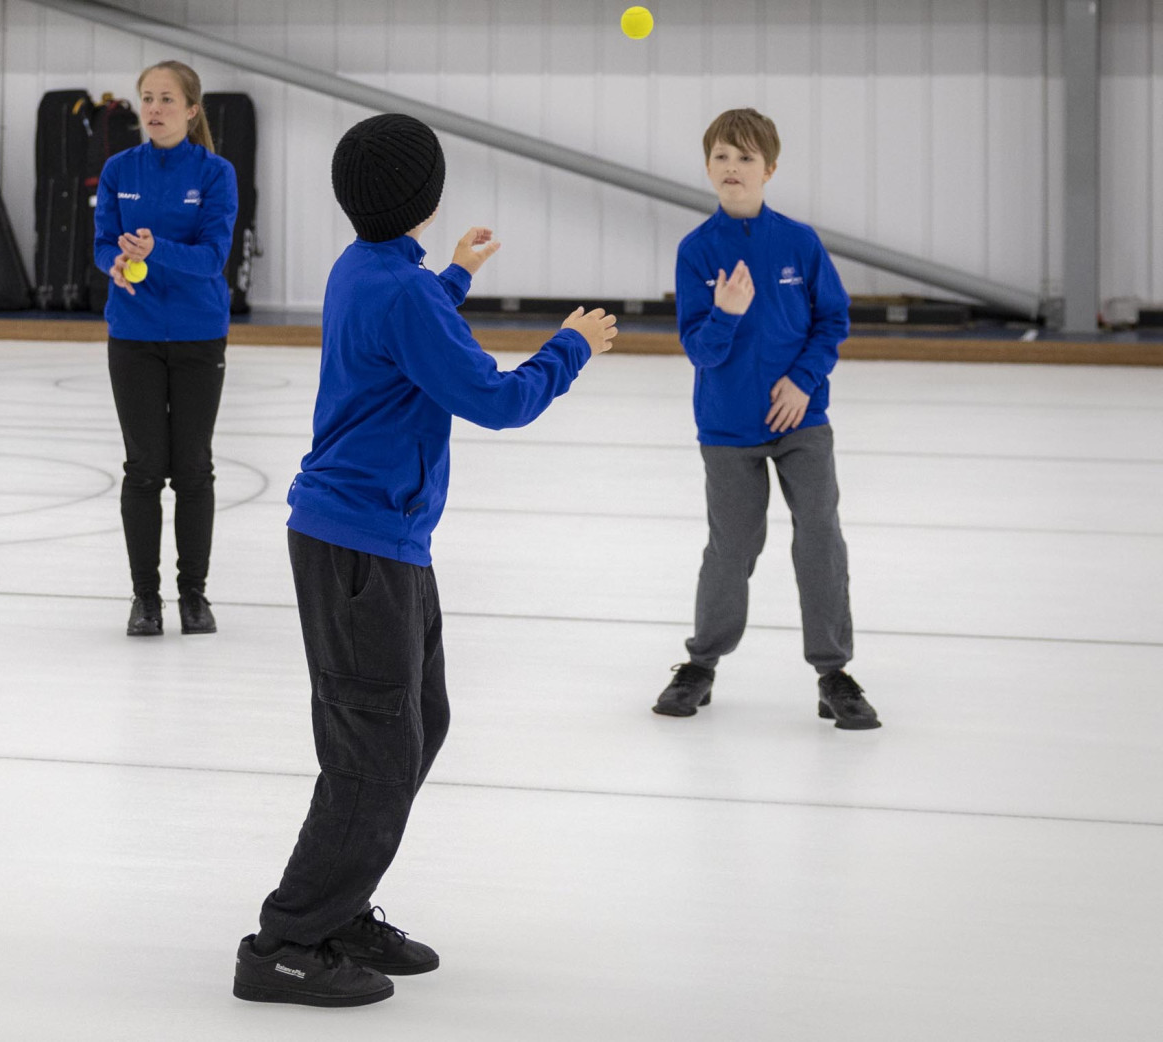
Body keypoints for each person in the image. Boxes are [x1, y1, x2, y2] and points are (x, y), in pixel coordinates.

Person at [232, 113, 616, 1007]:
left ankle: (341, 902)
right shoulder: (401, 292)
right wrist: (572, 347)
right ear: (427, 197)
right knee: (374, 751)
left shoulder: (374, 268)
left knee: (416, 722)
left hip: (378, 543)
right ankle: (286, 940)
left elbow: (412, 317)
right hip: (359, 547)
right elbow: (495, 398)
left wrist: (456, 274)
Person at [652, 107, 879, 729]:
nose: (733, 168)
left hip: (801, 422)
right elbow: (699, 349)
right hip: (728, 429)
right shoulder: (697, 251)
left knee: (820, 542)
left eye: (746, 158)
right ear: (708, 167)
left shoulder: (799, 243)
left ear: (769, 169)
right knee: (732, 548)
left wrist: (804, 382)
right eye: (722, 156)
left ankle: (834, 674)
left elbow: (832, 320)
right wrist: (723, 311)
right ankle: (700, 665)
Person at [93, 60, 238, 637]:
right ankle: (145, 599)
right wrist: (116, 265)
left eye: (166, 100)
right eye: (147, 99)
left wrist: (155, 252)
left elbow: (211, 260)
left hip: (199, 334)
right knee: (144, 469)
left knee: (193, 469)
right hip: (133, 335)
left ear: (191, 109)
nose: (154, 109)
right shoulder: (117, 169)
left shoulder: (215, 174)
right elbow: (104, 241)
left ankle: (194, 597)